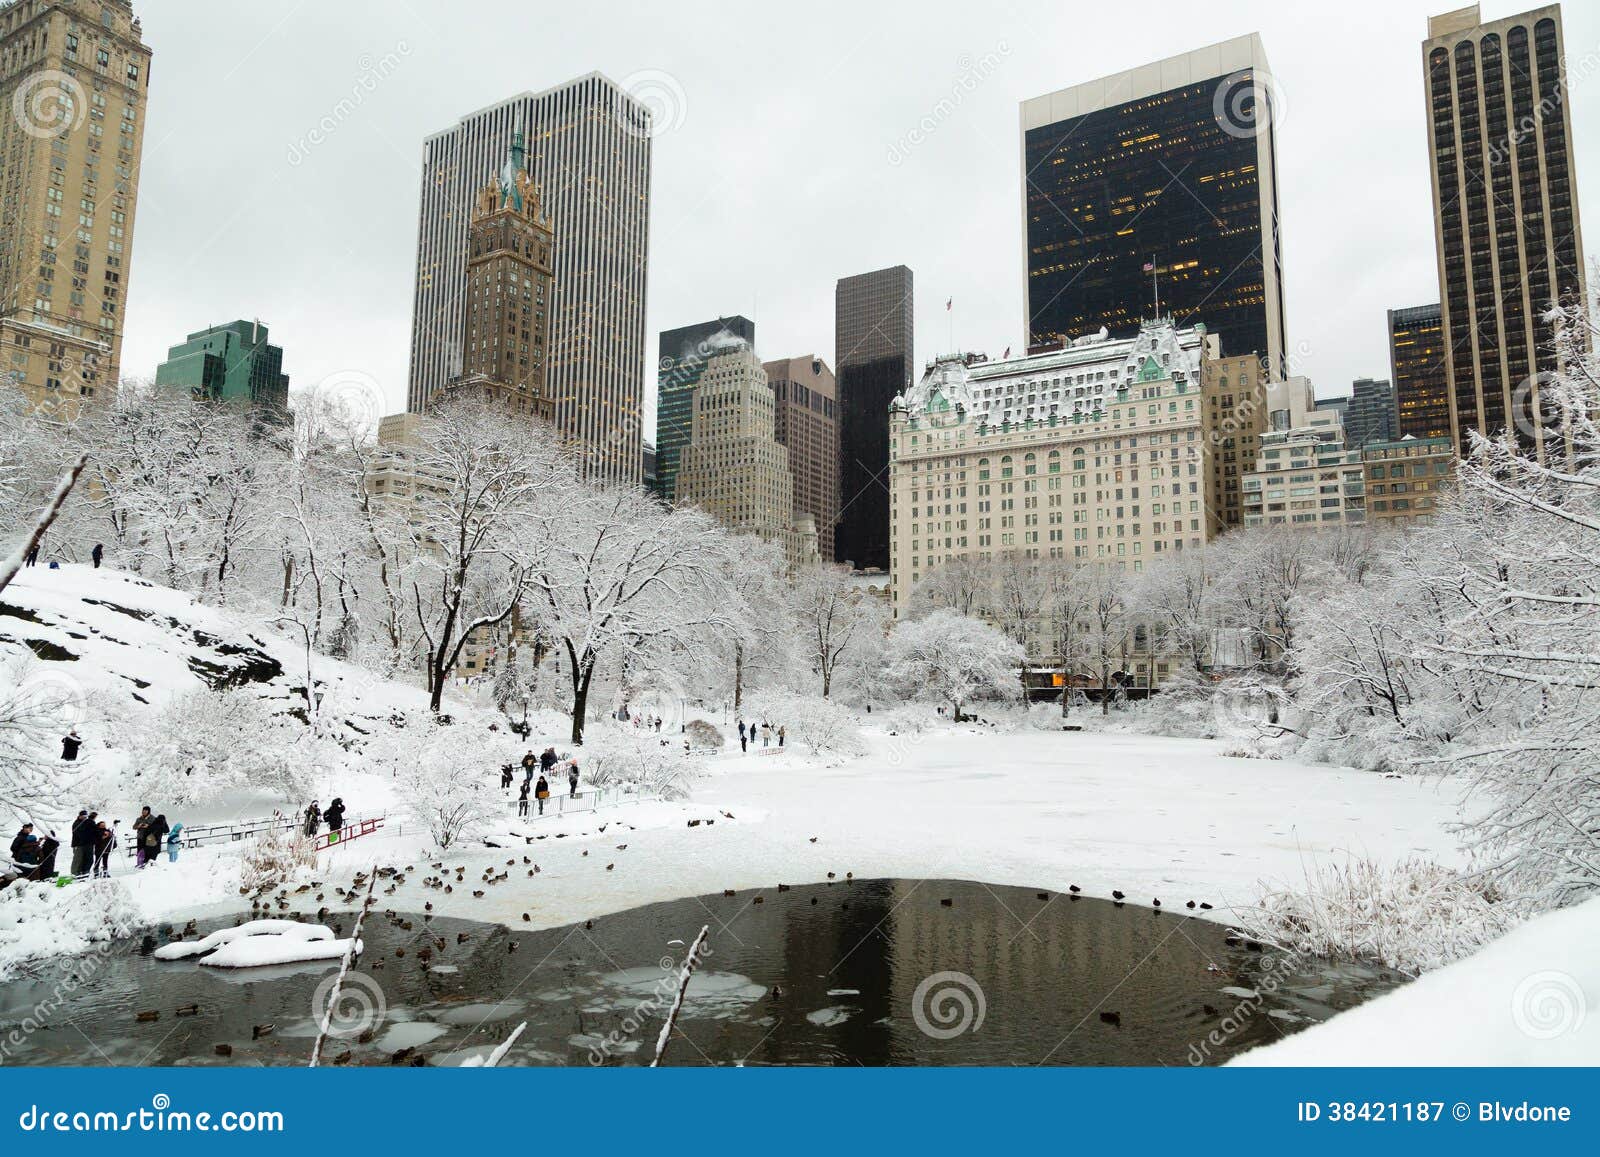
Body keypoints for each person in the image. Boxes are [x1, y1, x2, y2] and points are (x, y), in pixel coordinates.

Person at [70, 810, 94, 877]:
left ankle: (82, 873)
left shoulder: (86, 822)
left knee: (85, 860)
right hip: (78, 844)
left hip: (85, 844)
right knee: (78, 860)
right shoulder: (77, 823)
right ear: (80, 816)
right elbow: (80, 833)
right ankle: (75, 873)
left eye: (86, 816)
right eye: (83, 816)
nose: (85, 818)